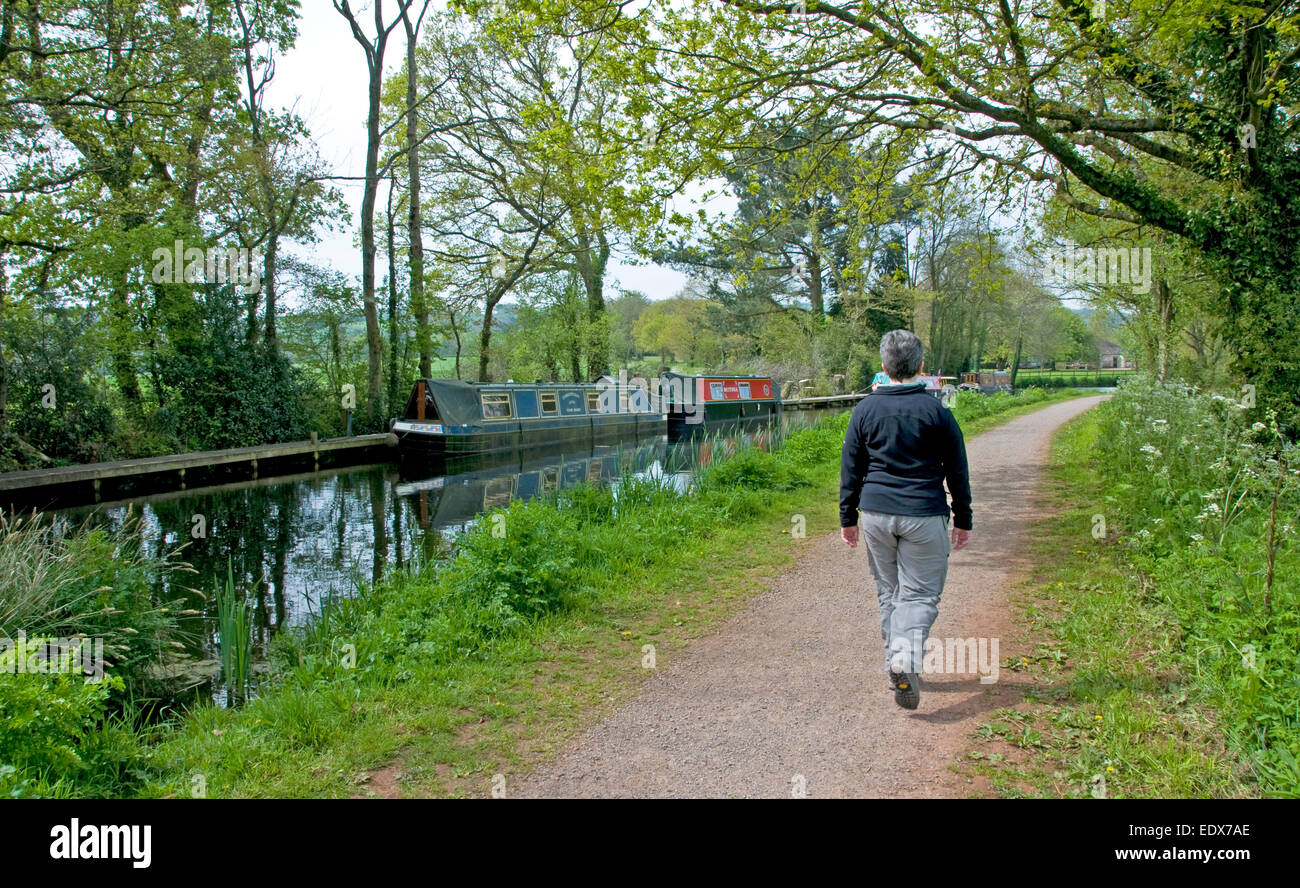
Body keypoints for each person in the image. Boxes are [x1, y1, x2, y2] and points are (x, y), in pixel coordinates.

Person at [840, 330, 973, 710]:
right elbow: (957, 471)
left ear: (883, 368)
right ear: (921, 367)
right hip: (923, 513)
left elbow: (851, 468)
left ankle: (895, 666)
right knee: (920, 594)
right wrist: (963, 518)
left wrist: (848, 517)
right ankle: (905, 661)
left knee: (889, 592)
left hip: (877, 514)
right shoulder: (937, 412)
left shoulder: (864, 410)